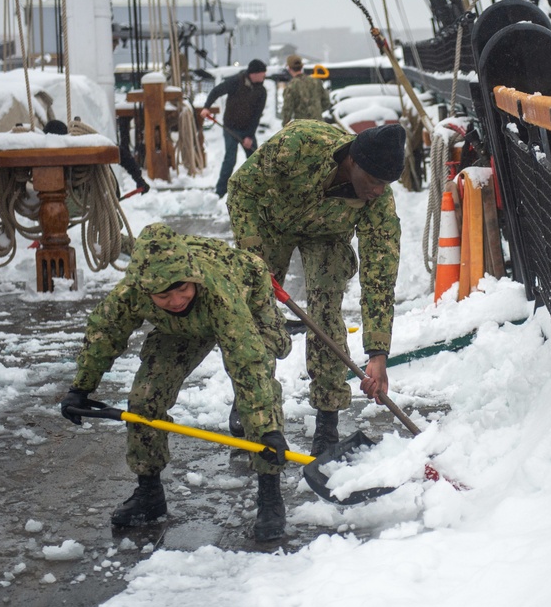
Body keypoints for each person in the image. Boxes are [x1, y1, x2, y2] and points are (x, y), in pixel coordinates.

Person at [59, 223, 293, 541]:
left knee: (261, 367)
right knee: (144, 398)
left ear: (193, 277)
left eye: (182, 288)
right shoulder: (131, 293)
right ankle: (149, 494)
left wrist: (269, 431)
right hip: (177, 330)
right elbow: (104, 333)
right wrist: (81, 387)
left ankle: (270, 496)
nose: (176, 299)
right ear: (146, 290)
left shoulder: (220, 294)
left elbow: (249, 366)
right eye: (163, 295)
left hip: (247, 298)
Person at [226, 120, 406, 457]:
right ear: (352, 161)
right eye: (375, 181)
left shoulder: (378, 201)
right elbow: (241, 188)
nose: (380, 191)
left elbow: (379, 273)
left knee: (325, 314)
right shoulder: (298, 145)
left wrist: (378, 353)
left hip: (327, 235)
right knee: (256, 311)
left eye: (387, 184)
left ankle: (327, 420)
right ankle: (250, 397)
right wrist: (252, 253)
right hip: (270, 223)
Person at [199, 59, 267, 198]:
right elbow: (217, 91)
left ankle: (259, 190)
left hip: (248, 128)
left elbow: (256, 116)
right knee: (230, 159)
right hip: (231, 127)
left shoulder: (261, 91)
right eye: (262, 73)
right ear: (254, 74)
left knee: (255, 159)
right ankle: (220, 192)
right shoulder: (236, 81)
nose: (264, 76)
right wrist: (207, 107)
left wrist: (249, 136)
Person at [280, 54, 330, 127]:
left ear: (289, 69)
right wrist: (316, 112)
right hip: (319, 125)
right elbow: (326, 102)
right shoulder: (316, 81)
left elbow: (287, 110)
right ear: (302, 67)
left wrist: (285, 125)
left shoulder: (291, 86)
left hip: (303, 127)